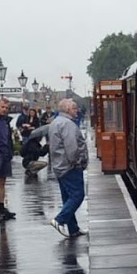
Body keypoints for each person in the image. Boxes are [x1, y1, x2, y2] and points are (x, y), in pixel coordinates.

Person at [48, 98, 88, 238]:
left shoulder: (56, 122)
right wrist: (77, 162)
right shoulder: (68, 124)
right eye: (74, 108)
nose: (77, 111)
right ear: (67, 110)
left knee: (67, 198)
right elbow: (72, 146)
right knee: (78, 195)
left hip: (59, 166)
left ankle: (73, 228)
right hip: (69, 166)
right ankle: (60, 220)